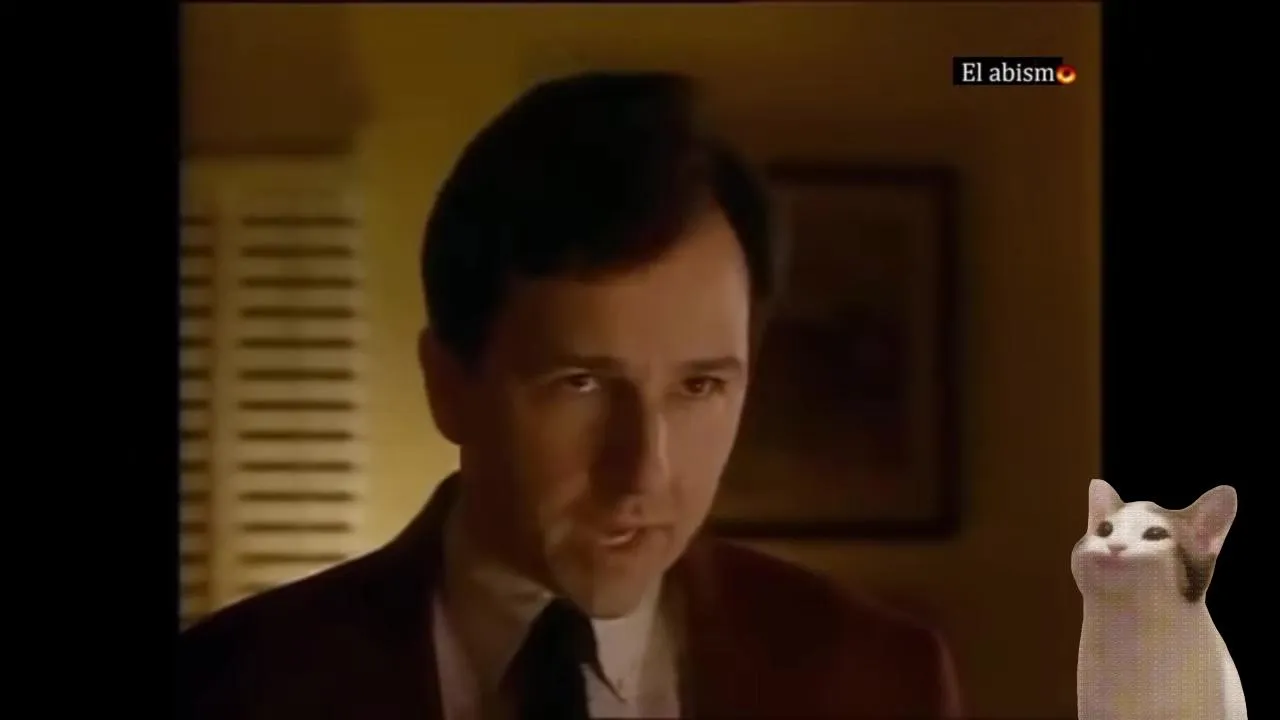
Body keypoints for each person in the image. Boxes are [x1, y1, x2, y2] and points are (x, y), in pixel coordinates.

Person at [178, 71, 964, 719]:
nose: (643, 473)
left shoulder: (880, 680)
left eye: (699, 385)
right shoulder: (232, 687)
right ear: (448, 385)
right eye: (582, 384)